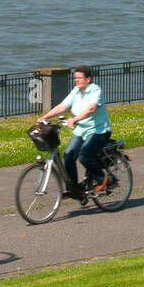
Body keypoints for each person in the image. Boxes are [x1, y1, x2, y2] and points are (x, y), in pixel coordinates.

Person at [39, 65, 113, 194]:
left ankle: (102, 179)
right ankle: (74, 188)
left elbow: (91, 109)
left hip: (98, 130)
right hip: (82, 131)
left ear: (88, 79)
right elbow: (62, 106)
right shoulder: (76, 91)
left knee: (84, 156)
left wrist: (75, 119)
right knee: (68, 155)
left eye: (80, 78)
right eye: (75, 78)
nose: (77, 80)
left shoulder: (95, 90)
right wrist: (44, 117)